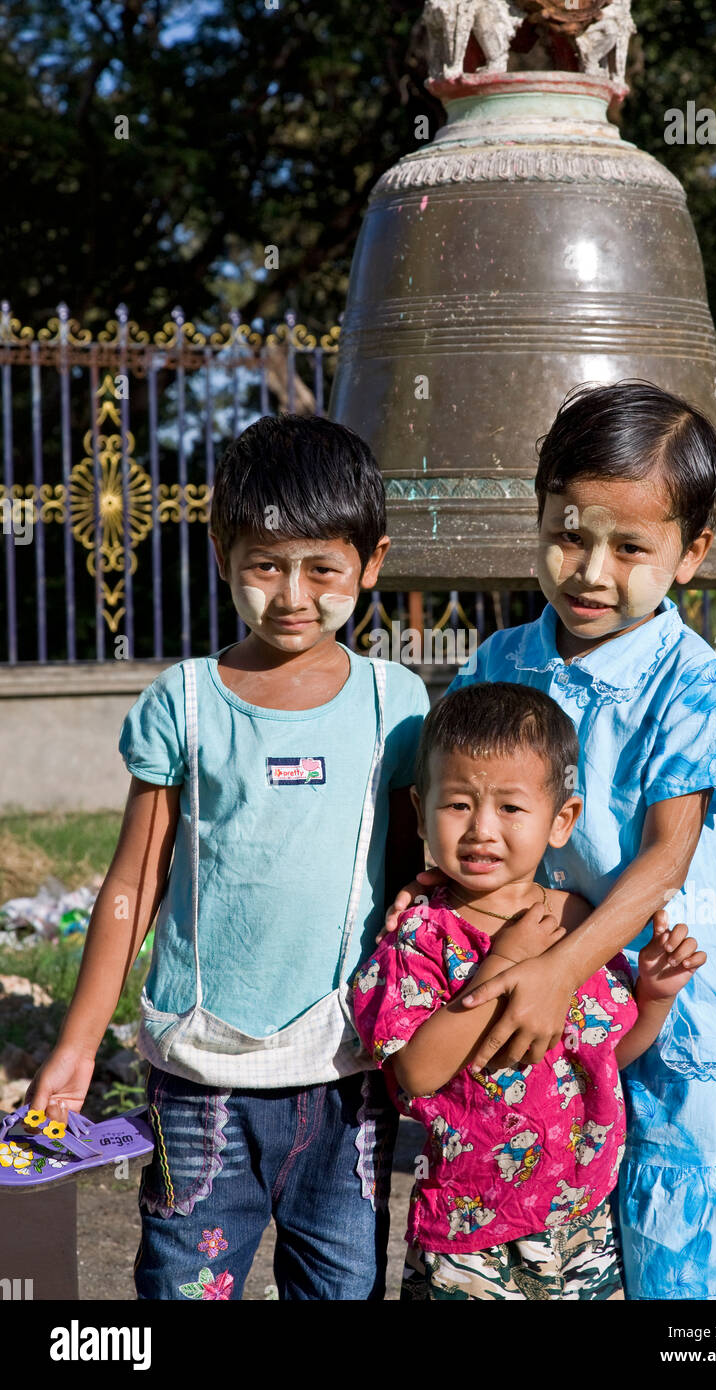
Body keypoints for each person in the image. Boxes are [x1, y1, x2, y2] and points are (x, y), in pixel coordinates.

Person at [388, 381, 716, 1300]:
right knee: (563, 1252)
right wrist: (419, 892)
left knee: (688, 1273)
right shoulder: (499, 665)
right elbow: (455, 807)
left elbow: (665, 857)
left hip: (668, 1017)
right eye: (568, 533)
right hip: (549, 1036)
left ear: (691, 554)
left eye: (630, 548)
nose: (590, 570)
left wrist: (558, 969)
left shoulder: (692, 685)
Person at [27, 413, 429, 1301]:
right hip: (199, 1072)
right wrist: (78, 1046)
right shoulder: (185, 703)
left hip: (347, 1073)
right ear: (222, 557)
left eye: (322, 568)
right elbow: (133, 883)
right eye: (265, 565)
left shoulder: (393, 704)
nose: (292, 594)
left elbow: (411, 886)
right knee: (183, 1283)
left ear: (371, 563)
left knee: (343, 1284)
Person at [355, 682, 705, 1300]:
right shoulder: (420, 936)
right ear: (420, 808)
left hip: (581, 1223)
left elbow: (604, 1056)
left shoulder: (577, 924)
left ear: (561, 819)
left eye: (511, 809)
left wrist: (654, 997)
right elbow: (416, 1070)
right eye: (458, 804)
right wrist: (504, 963)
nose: (482, 830)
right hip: (470, 1229)